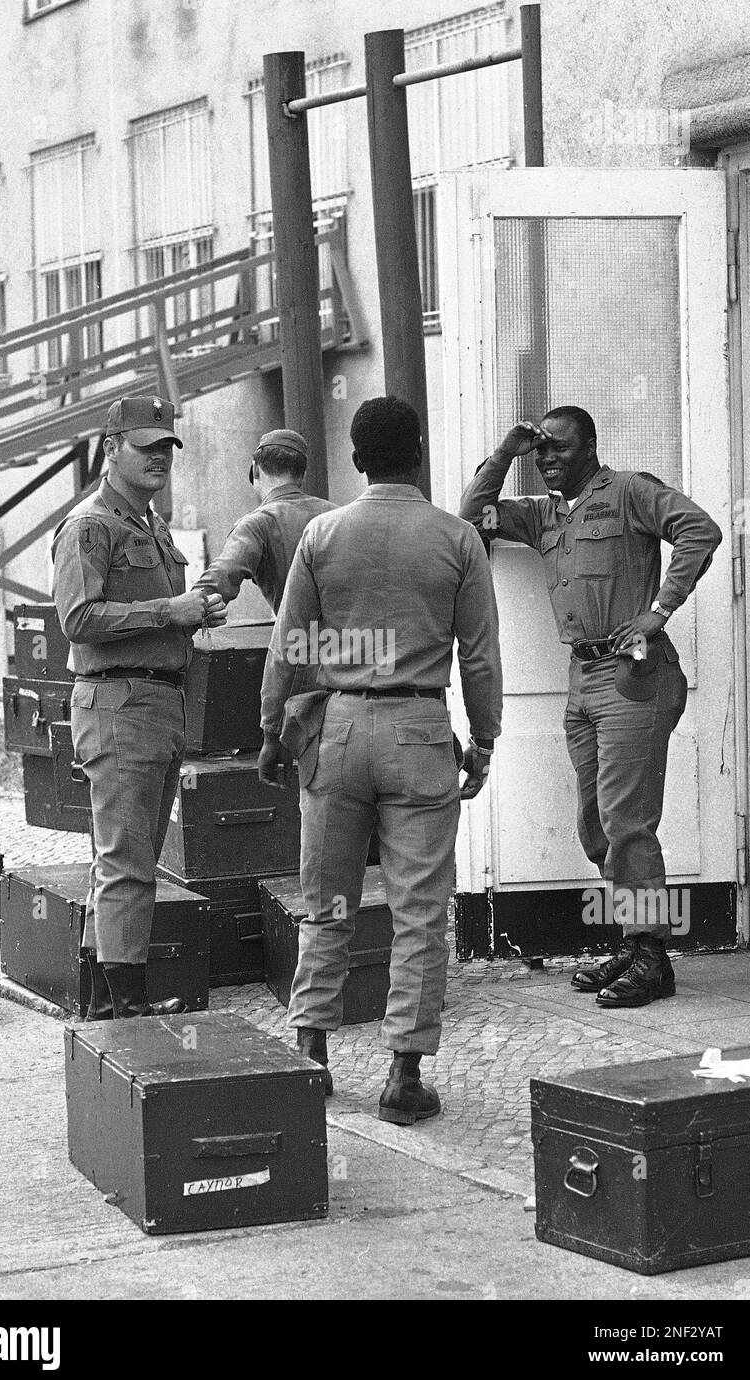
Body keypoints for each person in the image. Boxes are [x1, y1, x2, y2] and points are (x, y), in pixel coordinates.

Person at [258, 396, 502, 1124]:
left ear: (358, 461)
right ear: (419, 452)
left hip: (335, 730)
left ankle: (310, 1051)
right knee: (419, 912)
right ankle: (403, 1071)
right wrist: (482, 739)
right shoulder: (457, 539)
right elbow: (480, 656)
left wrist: (273, 731)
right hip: (421, 729)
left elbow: (289, 644)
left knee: (326, 899)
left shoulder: (324, 535)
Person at [459, 407, 722, 1008]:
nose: (548, 459)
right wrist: (504, 453)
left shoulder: (628, 490)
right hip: (582, 675)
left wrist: (659, 609)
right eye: (540, 451)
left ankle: (653, 956)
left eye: (560, 448)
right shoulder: (544, 513)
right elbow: (470, 518)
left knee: (629, 823)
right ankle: (634, 943)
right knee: (598, 825)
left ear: (591, 448)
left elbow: (700, 531)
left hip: (635, 675)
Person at [51, 395, 227, 1020]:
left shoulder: (149, 525)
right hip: (119, 703)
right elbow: (77, 619)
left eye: (166, 449)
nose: (159, 459)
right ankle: (125, 1004)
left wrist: (192, 616)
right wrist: (168, 612)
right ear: (111, 447)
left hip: (155, 703)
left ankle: (107, 997)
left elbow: (149, 616)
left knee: (131, 859)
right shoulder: (90, 525)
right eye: (146, 446)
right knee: (128, 863)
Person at [193, 428, 335, 614]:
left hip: (298, 638)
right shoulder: (337, 514)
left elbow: (222, 577)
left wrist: (185, 609)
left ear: (255, 469)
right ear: (303, 475)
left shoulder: (256, 524)